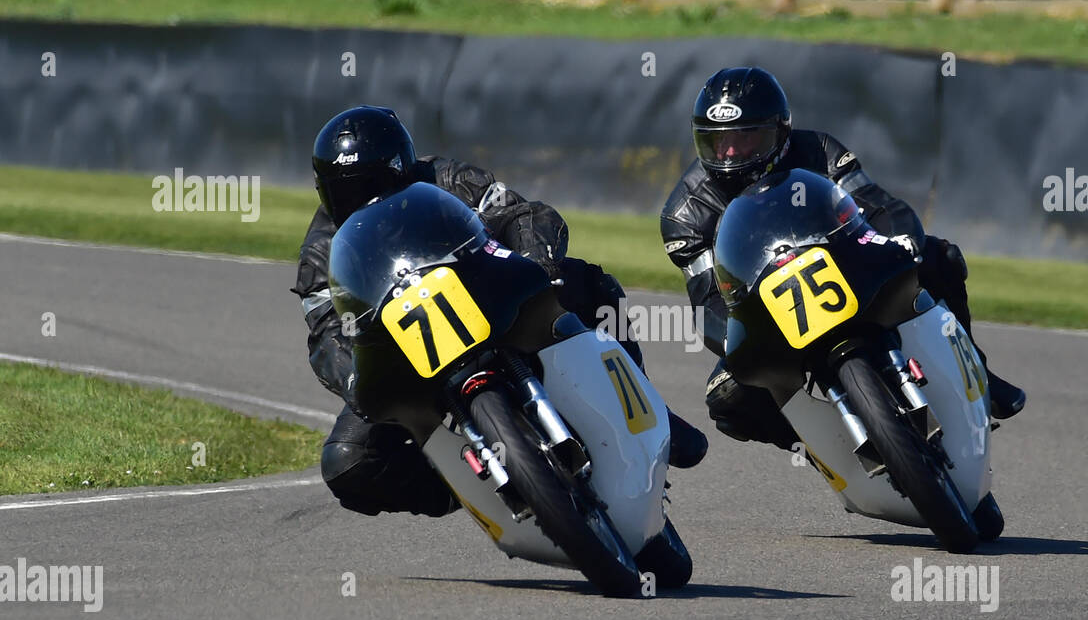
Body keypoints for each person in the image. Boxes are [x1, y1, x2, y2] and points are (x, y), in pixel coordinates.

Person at [294, 106, 706, 518]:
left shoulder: (449, 180)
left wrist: (537, 264)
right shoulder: (320, 253)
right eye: (347, 191)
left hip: (490, 304)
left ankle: (645, 403)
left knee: (586, 281)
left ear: (403, 167)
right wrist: (356, 378)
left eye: (377, 182)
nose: (366, 199)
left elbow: (522, 214)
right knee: (347, 462)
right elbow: (327, 333)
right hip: (407, 353)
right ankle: (463, 485)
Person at [660, 67, 1026, 450]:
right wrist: (738, 340)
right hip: (770, 314)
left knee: (940, 255)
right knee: (725, 400)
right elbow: (707, 304)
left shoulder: (819, 151)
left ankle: (978, 370)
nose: (731, 153)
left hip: (847, 271)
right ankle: (825, 446)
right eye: (718, 142)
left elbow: (880, 205)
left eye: (746, 137)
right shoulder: (684, 215)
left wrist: (905, 241)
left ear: (779, 133)